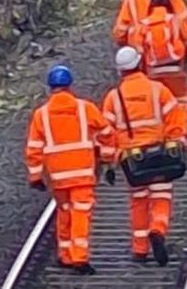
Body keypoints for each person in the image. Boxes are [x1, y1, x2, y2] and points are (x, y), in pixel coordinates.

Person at [25, 65, 117, 275]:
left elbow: (34, 148)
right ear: (69, 85)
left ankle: (65, 255)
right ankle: (79, 258)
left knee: (64, 211)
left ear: (51, 87)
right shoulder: (85, 108)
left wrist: (36, 175)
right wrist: (107, 157)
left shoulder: (42, 115)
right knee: (81, 214)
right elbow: (106, 132)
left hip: (58, 176)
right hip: (83, 173)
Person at [101, 47, 187, 266]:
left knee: (138, 202)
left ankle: (139, 249)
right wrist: (177, 143)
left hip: (133, 162)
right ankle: (157, 230)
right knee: (161, 197)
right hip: (160, 155)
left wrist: (110, 163)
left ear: (120, 71)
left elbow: (106, 134)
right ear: (140, 64)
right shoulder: (157, 90)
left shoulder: (114, 98)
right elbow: (175, 116)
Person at [135, 0, 187, 110]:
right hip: (176, 66)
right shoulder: (175, 20)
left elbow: (138, 49)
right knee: (181, 102)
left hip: (153, 70)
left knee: (158, 105)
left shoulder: (143, 25)